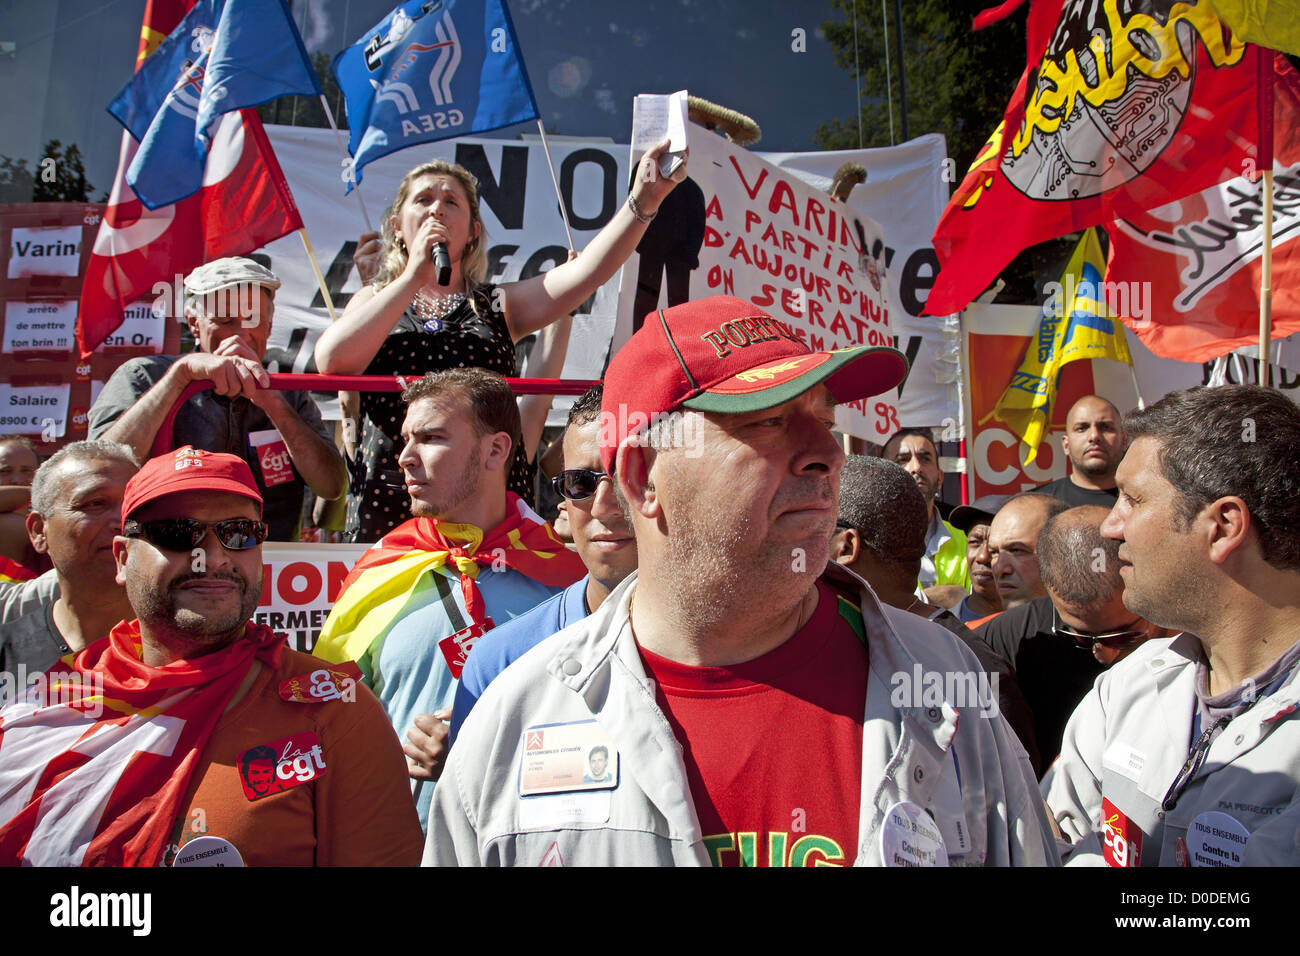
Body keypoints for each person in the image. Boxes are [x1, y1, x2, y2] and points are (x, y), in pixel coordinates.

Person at [428, 295, 1057, 867]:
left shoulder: (947, 689)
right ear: (646, 477)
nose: (830, 452)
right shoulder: (516, 721)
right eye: (768, 420)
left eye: (824, 415)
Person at [0, 446, 422, 866]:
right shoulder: (47, 710)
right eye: (178, 533)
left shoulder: (335, 710)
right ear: (123, 558)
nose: (214, 556)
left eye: (238, 533)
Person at [315, 142, 688, 543]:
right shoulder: (374, 300)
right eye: (422, 200)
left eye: (452, 202)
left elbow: (587, 273)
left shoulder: (497, 304)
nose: (436, 209)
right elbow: (333, 362)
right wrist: (412, 277)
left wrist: (643, 200)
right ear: (397, 227)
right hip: (395, 496)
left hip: (488, 497)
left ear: (473, 231)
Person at [312, 368, 585, 830]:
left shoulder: (567, 580)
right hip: (390, 847)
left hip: (529, 845)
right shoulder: (380, 571)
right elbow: (325, 724)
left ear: (496, 449)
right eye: (405, 439)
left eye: (432, 437)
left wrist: (483, 754)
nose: (405, 457)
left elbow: (594, 728)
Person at [1044, 385, 1300, 865]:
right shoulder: (1127, 685)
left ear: (1222, 526)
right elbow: (1048, 841)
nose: (1109, 526)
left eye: (1133, 499)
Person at [88, 257, 347, 541]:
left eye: (254, 320)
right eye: (225, 321)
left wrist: (273, 404)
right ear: (194, 324)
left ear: (270, 327)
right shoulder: (145, 376)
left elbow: (330, 486)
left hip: (271, 565)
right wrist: (179, 379)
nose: (240, 335)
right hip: (168, 558)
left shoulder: (287, 390)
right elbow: (100, 470)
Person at [449, 383, 636, 744]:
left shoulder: (743, 643)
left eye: (627, 476)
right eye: (580, 482)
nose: (602, 505)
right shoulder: (499, 660)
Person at [830, 455, 1037, 766]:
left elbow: (1017, 788)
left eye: (817, 527)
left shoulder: (969, 667)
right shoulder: (845, 645)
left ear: (846, 546)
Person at [977, 506, 1169, 774]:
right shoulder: (1007, 639)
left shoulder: (1188, 633)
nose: (1102, 654)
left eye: (1122, 637)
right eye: (1081, 638)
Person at [1, 441, 139, 701]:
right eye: (95, 503)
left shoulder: (203, 651)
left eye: (134, 505)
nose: (123, 521)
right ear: (39, 531)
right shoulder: (7, 654)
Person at [881, 428, 969, 589]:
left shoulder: (966, 541)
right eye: (903, 459)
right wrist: (938, 599)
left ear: (940, 478)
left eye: (925, 459)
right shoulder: (869, 543)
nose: (916, 467)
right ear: (882, 478)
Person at [981, 492, 1068, 618]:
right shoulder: (975, 635)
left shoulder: (1101, 632)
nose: (999, 569)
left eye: (1016, 550)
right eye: (994, 552)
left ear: (1064, 555)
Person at [927, 494, 1008, 623]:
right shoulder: (941, 630)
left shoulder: (1042, 625)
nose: (982, 557)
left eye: (994, 546)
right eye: (975, 542)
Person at [1034, 395, 1127, 506]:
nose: (1094, 436)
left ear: (1124, 440)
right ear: (1066, 445)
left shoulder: (1148, 502)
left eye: (1106, 427)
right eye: (1081, 428)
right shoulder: (1037, 506)